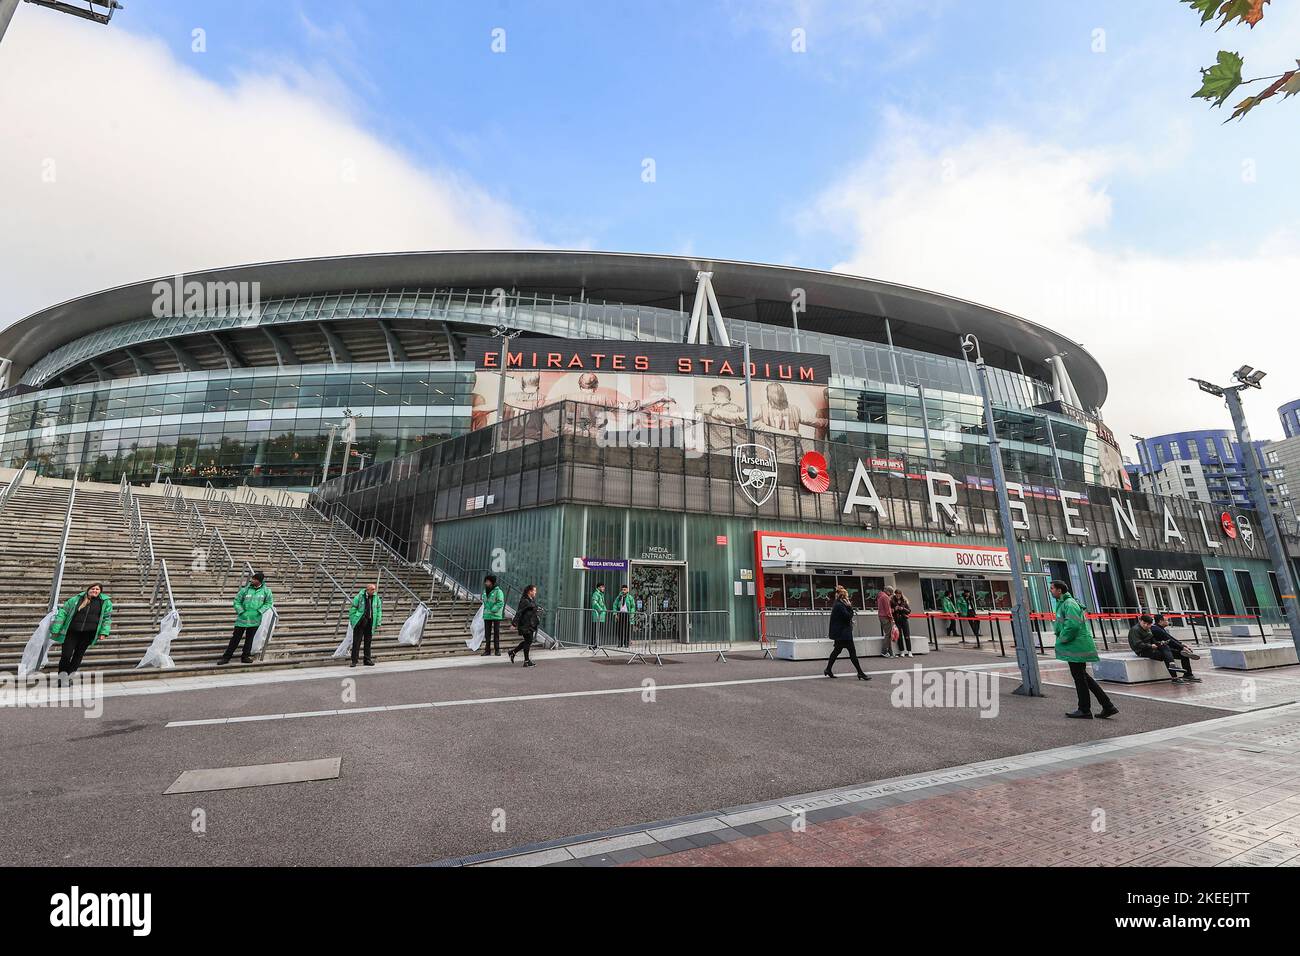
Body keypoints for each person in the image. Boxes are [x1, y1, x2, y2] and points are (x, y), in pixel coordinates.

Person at [1052, 580, 1119, 719]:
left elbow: (1073, 626)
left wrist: (1062, 639)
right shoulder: (1064, 603)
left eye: (1052, 588)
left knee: (1079, 678)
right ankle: (1107, 706)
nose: (1050, 591)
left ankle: (1084, 709)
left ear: (1059, 590)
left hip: (1075, 646)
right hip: (1076, 645)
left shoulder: (1068, 604)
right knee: (1083, 677)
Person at [51, 583, 112, 680]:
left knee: (78, 656)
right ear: (88, 589)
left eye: (97, 589)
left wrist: (104, 632)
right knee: (66, 655)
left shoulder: (105, 602)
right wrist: (56, 628)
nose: (95, 591)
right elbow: (63, 612)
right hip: (72, 632)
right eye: (93, 588)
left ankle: (68, 678)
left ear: (100, 591)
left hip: (88, 634)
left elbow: (107, 618)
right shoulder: (76, 599)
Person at [220, 571, 273, 664]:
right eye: (253, 578)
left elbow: (268, 603)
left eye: (255, 579)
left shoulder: (266, 591)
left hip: (255, 619)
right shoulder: (245, 590)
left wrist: (260, 611)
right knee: (235, 639)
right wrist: (240, 611)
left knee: (250, 639)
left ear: (259, 581)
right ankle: (226, 657)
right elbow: (237, 601)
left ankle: (245, 656)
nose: (252, 580)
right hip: (242, 619)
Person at [1128, 614, 1196, 684]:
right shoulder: (1135, 630)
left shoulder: (1149, 628)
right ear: (1140, 621)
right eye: (1144, 623)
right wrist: (1150, 646)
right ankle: (1174, 677)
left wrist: (1159, 643)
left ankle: (1187, 674)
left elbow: (1155, 639)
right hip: (1143, 651)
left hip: (1153, 648)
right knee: (1165, 655)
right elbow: (1137, 644)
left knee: (1180, 654)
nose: (1146, 625)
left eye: (1148, 624)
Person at [825, 585, 870, 681]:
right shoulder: (840, 606)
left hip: (840, 633)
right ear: (843, 598)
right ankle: (860, 673)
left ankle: (828, 669)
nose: (848, 599)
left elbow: (843, 618)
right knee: (852, 653)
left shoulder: (838, 604)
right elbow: (847, 616)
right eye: (847, 597)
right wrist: (850, 607)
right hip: (843, 634)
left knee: (837, 651)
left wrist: (849, 620)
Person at [1152, 613, 1203, 682]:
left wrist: (1182, 644)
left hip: (1166, 648)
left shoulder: (1160, 628)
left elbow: (1171, 638)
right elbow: (1170, 641)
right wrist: (1182, 647)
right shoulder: (1156, 629)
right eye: (1166, 620)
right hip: (1160, 650)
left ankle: (1188, 675)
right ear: (1161, 621)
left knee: (1184, 655)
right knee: (1174, 656)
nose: (1168, 622)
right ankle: (1175, 678)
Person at [348, 582, 382, 667]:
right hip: (360, 622)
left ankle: (367, 659)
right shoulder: (359, 597)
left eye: (375, 589)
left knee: (368, 642)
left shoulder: (376, 598)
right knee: (356, 642)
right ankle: (354, 661)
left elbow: (379, 610)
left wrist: (378, 621)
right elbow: (352, 609)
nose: (374, 591)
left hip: (370, 622)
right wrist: (354, 620)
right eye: (373, 589)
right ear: (368, 590)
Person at [509, 584, 541, 667]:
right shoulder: (524, 601)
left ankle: (513, 652)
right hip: (525, 624)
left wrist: (537, 610)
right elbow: (519, 612)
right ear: (529, 591)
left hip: (530, 624)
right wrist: (514, 623)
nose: (535, 592)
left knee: (528, 641)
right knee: (528, 641)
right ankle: (526, 661)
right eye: (534, 590)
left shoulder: (531, 600)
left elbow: (531, 609)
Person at [481, 575, 505, 657]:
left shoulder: (498, 591)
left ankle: (497, 650)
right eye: (486, 581)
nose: (486, 583)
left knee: (496, 633)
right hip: (487, 615)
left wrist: (492, 610)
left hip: (495, 615)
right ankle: (487, 650)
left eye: (487, 581)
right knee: (487, 634)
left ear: (492, 582)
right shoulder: (485, 591)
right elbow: (484, 601)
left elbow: (500, 602)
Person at [891, 588, 914, 658]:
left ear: (901, 594)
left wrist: (902, 608)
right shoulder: (892, 602)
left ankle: (909, 651)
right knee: (899, 636)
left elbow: (909, 611)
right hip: (897, 620)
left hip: (904, 620)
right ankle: (902, 651)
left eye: (899, 594)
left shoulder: (904, 601)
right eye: (897, 594)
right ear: (895, 595)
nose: (898, 595)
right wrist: (894, 609)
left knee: (907, 636)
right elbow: (890, 611)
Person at [876, 585, 896, 657]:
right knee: (888, 635)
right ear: (888, 591)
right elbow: (888, 610)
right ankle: (884, 651)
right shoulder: (885, 597)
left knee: (888, 635)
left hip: (881, 617)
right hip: (886, 617)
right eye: (890, 593)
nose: (891, 595)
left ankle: (891, 653)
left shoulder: (880, 596)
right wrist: (892, 618)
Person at [588, 582, 607, 649]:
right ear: (599, 587)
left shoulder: (601, 594)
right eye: (602, 587)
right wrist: (601, 609)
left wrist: (604, 610)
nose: (603, 588)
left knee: (599, 631)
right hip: (597, 615)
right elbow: (595, 603)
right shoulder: (596, 594)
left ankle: (596, 644)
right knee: (595, 631)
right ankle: (593, 645)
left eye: (603, 587)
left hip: (601, 616)